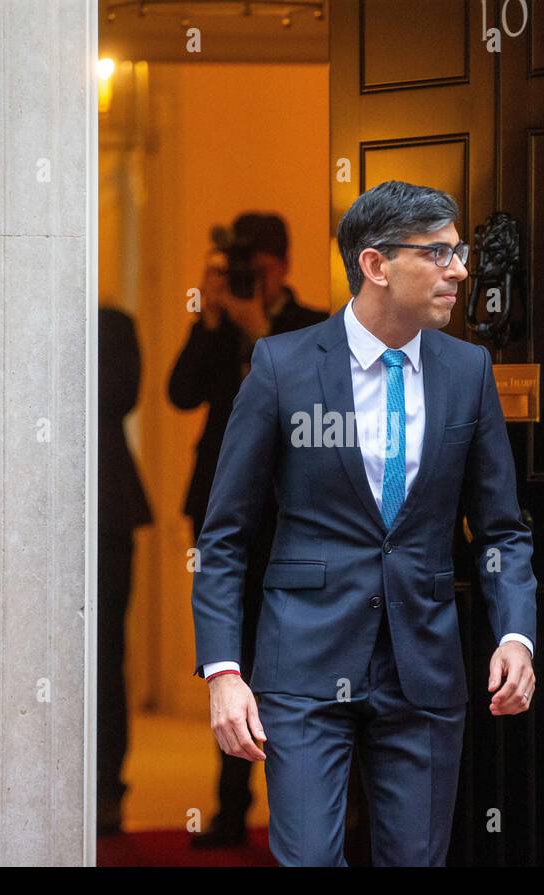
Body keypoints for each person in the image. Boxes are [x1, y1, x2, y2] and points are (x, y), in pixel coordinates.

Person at [191, 181, 538, 866]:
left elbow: (500, 528)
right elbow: (225, 534)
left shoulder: (468, 371)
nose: (461, 271)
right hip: (304, 667)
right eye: (439, 254)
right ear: (376, 265)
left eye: (460, 251)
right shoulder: (282, 366)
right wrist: (223, 670)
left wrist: (516, 634)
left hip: (424, 671)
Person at [167, 213, 328, 847]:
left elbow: (317, 409)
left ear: (282, 267)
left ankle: (296, 812)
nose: (245, 280)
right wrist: (210, 320)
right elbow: (179, 394)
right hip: (220, 511)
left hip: (290, 518)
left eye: (255, 268)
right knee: (225, 659)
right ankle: (230, 811)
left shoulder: (311, 325)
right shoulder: (217, 324)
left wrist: (260, 330)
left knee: (288, 660)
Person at [97, 306, 154, 835]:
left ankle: (106, 792)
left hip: (109, 510)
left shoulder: (112, 323)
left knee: (106, 655)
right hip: (33, 504)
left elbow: (120, 396)